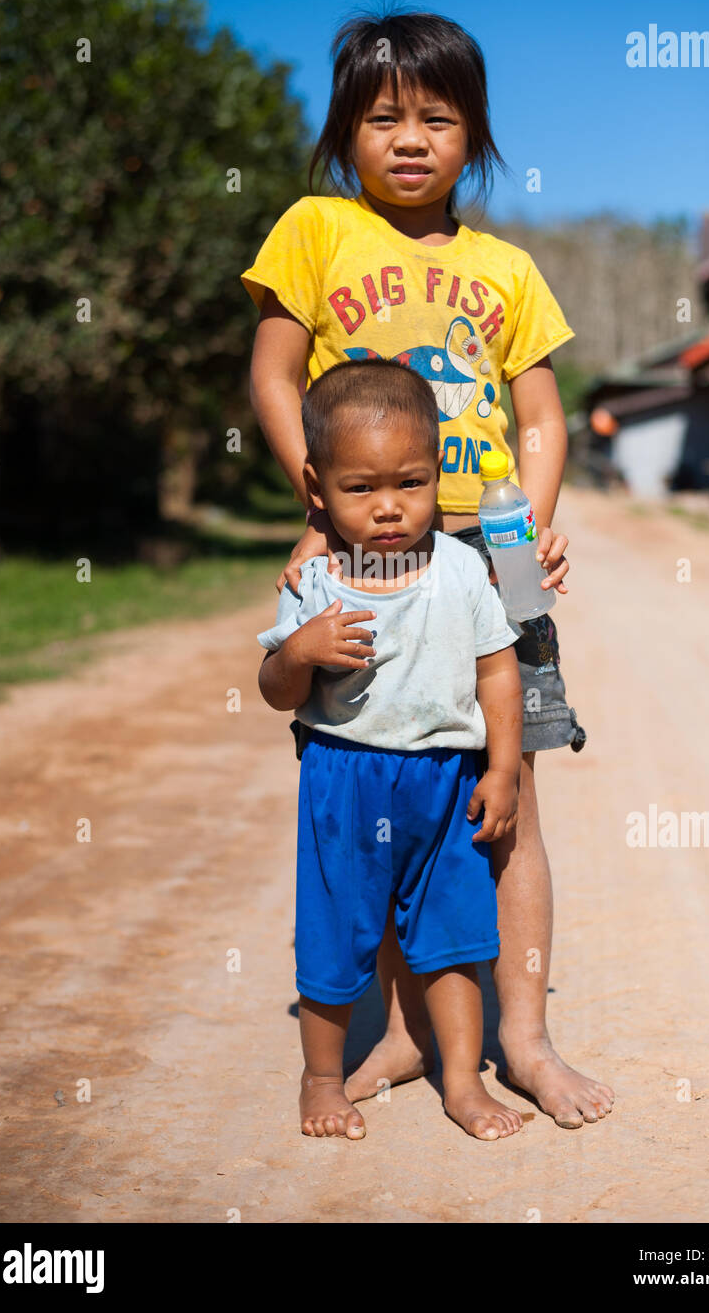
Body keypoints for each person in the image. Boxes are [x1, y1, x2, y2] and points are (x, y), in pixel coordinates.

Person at [242, 7, 614, 1128]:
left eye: (438, 119)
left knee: (511, 799)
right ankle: (406, 1032)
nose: (409, 139)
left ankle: (526, 1039)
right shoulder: (313, 230)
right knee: (395, 794)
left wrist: (529, 530)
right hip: (368, 552)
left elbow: (538, 416)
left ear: (475, 136)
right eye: (382, 117)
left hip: (487, 556)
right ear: (345, 133)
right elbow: (274, 374)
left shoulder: (507, 268)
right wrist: (316, 498)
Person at [257, 358, 525, 1140]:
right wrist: (300, 650)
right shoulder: (313, 582)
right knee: (336, 930)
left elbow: (497, 674)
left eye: (409, 483)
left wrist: (502, 769)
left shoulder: (462, 568)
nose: (387, 509)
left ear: (439, 474)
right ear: (316, 487)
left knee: (451, 938)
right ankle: (321, 1081)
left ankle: (462, 1083)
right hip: (345, 781)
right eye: (359, 488)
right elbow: (275, 688)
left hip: (445, 780)